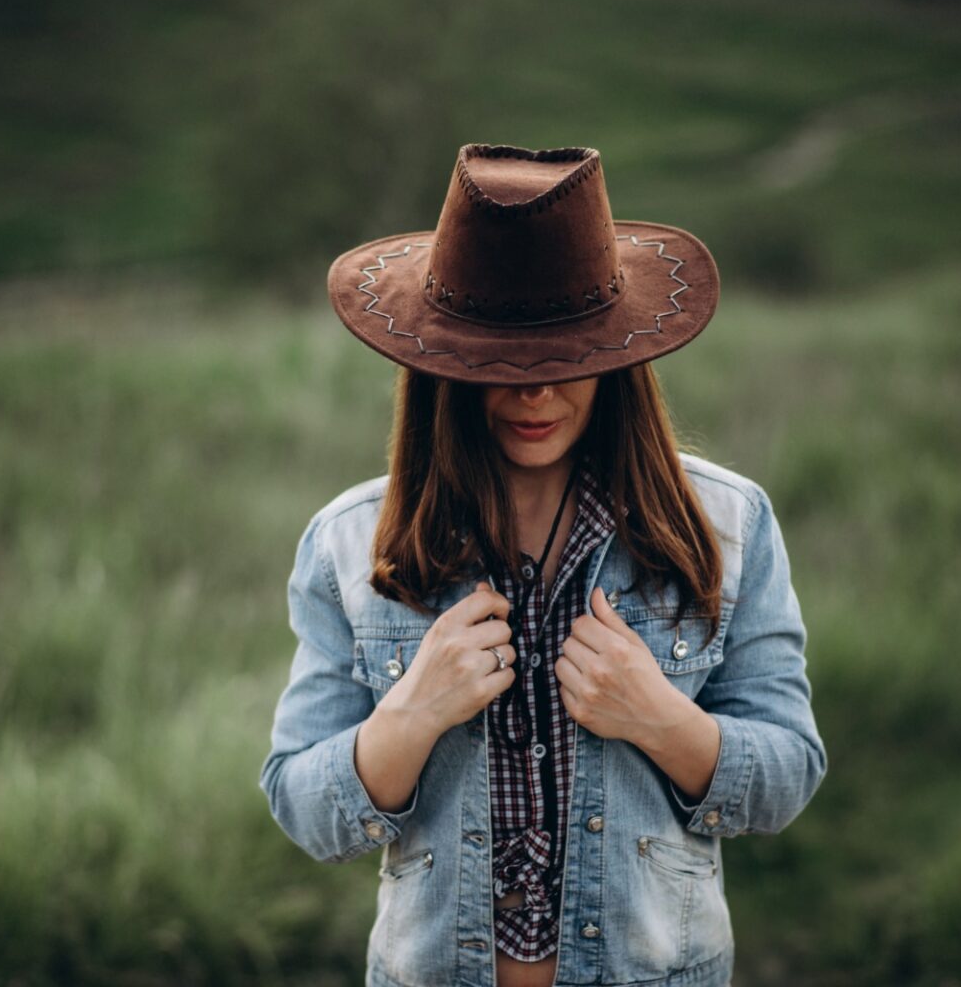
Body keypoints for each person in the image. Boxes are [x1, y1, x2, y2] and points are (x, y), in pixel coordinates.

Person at [260, 144, 825, 987]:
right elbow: (302, 806)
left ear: (616, 357)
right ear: (442, 369)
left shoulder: (727, 524)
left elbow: (789, 774)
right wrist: (412, 711)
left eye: (565, 361)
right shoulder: (351, 541)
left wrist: (658, 718)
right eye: (499, 364)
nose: (535, 395)